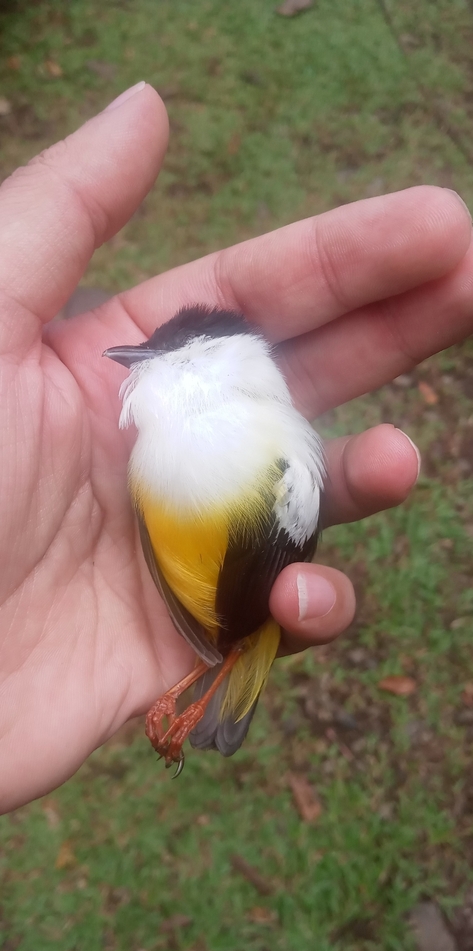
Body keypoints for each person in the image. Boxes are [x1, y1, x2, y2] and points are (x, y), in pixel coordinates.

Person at [0, 81, 471, 816]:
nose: (140, 359)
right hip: (210, 604)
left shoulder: (271, 439)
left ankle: (215, 685)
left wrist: (232, 645)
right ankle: (213, 680)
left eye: (160, 352)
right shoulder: (154, 448)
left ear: (204, 357)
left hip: (239, 610)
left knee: (281, 605)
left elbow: (258, 583)